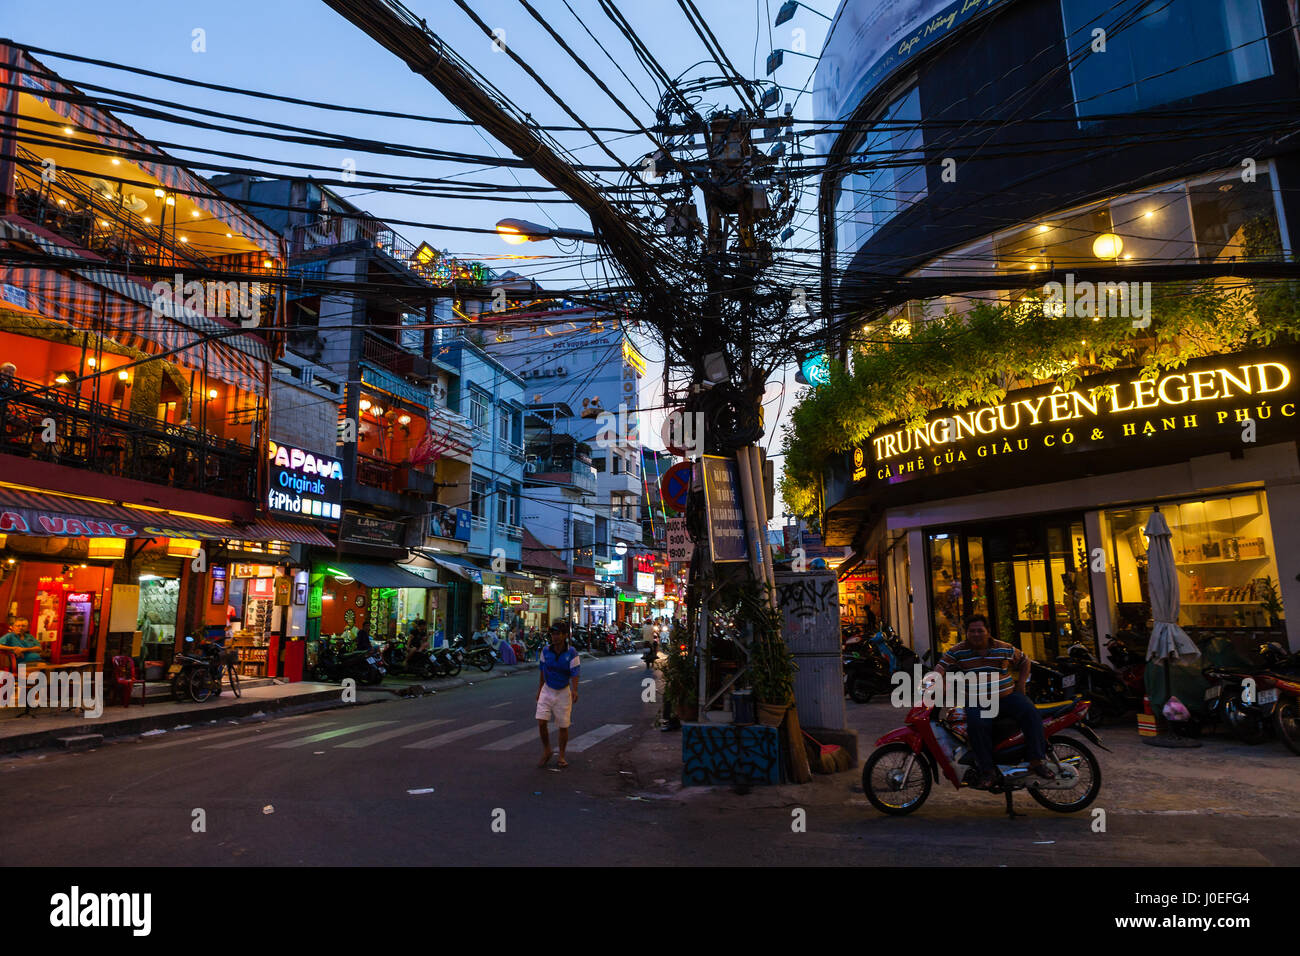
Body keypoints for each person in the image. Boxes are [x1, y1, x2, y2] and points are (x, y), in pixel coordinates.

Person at [933, 614, 1054, 790]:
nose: (976, 634)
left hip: (1007, 696)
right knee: (976, 726)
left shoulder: (1002, 648)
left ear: (988, 632)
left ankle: (1036, 761)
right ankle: (988, 771)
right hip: (978, 700)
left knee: (1031, 713)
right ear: (966, 633)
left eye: (980, 630)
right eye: (971, 631)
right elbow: (940, 667)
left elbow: (1025, 661)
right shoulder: (958, 650)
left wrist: (1021, 685)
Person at [536, 620, 580, 768]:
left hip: (563, 691)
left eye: (557, 634)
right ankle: (547, 749)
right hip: (547, 689)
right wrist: (539, 690)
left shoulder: (571, 652)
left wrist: (574, 690)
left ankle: (561, 756)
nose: (554, 637)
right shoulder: (546, 651)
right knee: (541, 721)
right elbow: (542, 671)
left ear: (564, 635)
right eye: (553, 634)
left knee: (563, 725)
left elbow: (575, 672)